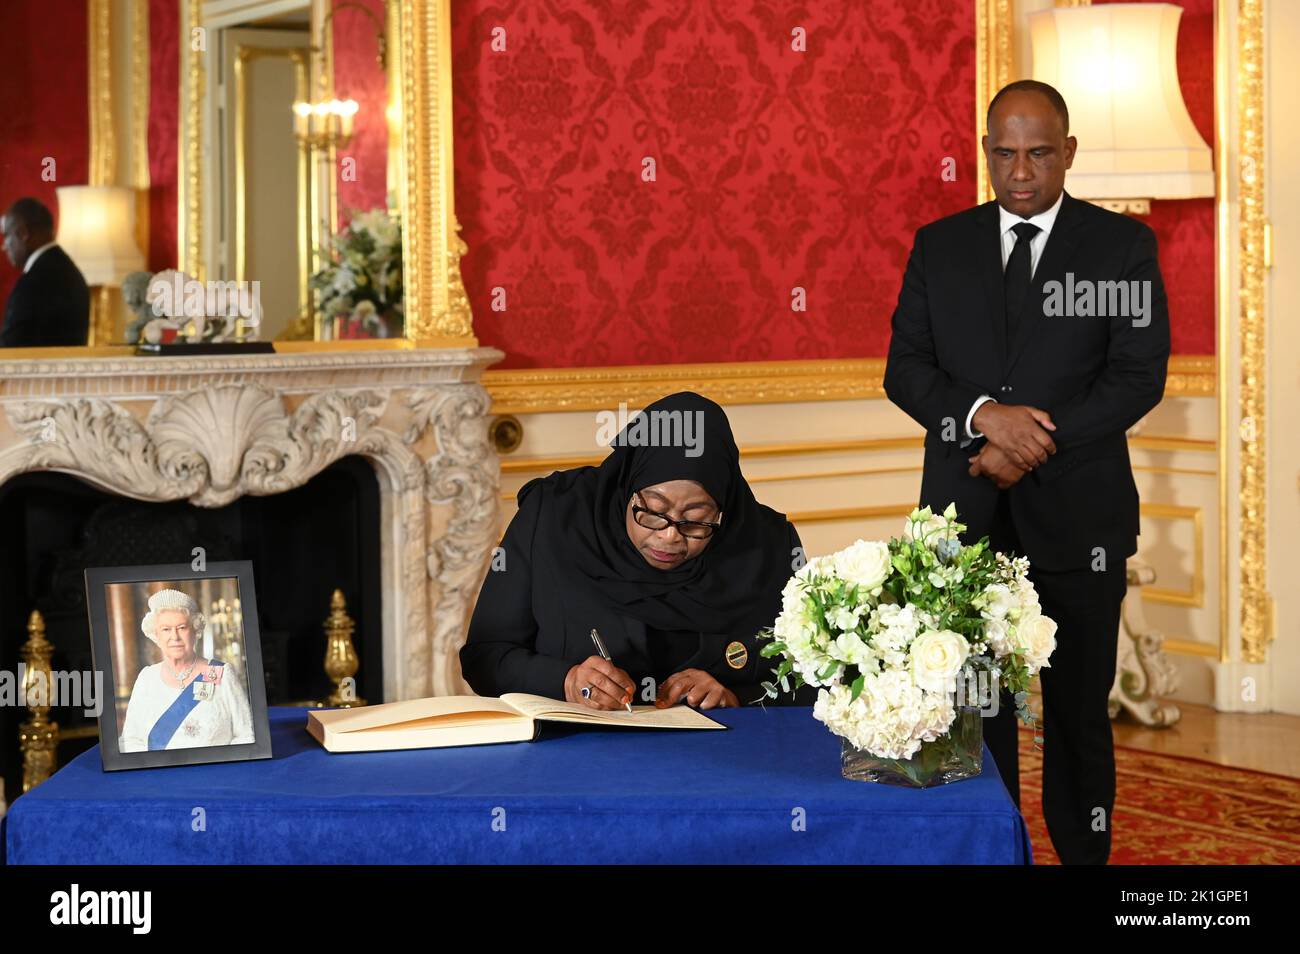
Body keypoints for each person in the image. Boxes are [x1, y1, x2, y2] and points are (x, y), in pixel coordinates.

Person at [883, 80, 1170, 864]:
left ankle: (1084, 857)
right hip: (964, 526)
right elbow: (904, 370)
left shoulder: (1120, 247)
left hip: (1081, 523)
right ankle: (993, 855)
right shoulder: (939, 245)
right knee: (978, 714)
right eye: (1004, 153)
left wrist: (1033, 440)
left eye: (1039, 153)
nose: (1020, 172)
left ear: (1068, 152)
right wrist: (982, 417)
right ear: (985, 153)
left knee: (1078, 712)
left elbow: (1137, 374)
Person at [460, 391, 813, 711]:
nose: (670, 537)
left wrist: (737, 696)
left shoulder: (767, 546)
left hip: (717, 758)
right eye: (653, 512)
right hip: (576, 754)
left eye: (696, 522)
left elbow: (819, 679)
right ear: (629, 486)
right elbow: (484, 658)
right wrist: (566, 680)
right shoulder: (553, 518)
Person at [119, 589, 255, 752]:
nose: (174, 637)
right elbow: (130, 740)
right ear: (157, 635)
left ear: (195, 631)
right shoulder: (146, 678)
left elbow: (246, 735)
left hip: (214, 773)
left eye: (182, 627)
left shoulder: (221, 673)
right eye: (166, 629)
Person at [0, 197, 89, 347]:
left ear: (23, 234)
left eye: (6, 235)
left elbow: (10, 348)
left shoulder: (34, 282)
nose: (4, 246)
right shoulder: (67, 270)